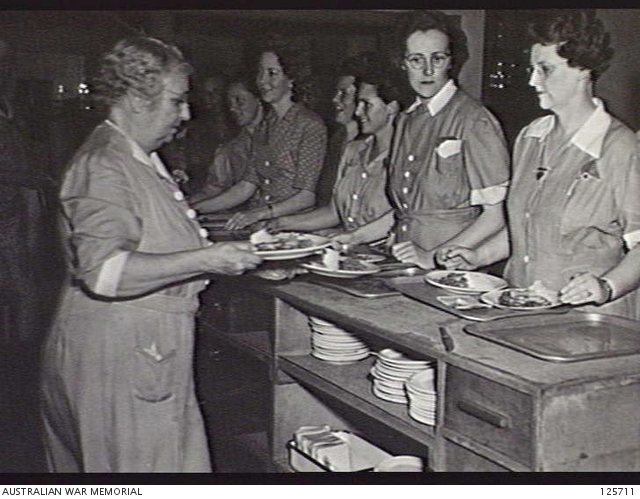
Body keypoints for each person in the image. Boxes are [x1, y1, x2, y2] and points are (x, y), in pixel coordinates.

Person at [40, 37, 262, 473]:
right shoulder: (104, 163)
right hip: (119, 355)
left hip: (141, 350)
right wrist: (209, 259)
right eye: (177, 101)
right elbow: (104, 272)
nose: (186, 114)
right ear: (137, 99)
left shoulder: (132, 155)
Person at [438, 11, 640, 319]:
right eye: (532, 69)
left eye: (545, 69)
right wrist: (478, 256)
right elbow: (527, 228)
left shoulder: (620, 147)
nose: (532, 80)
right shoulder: (530, 137)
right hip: (520, 308)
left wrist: (606, 286)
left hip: (588, 321)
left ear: (582, 71)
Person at [388, 11, 510, 270]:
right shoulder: (405, 119)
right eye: (416, 60)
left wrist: (433, 256)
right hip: (404, 266)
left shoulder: (474, 119)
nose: (427, 70)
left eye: (438, 58)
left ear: (451, 62)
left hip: (452, 269)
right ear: (402, 63)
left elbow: (497, 217)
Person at [193, 35, 328, 230]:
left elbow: (306, 197)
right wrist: (194, 209)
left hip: (290, 228)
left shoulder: (310, 125)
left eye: (272, 73)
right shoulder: (266, 124)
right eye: (260, 72)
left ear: (291, 79)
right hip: (260, 224)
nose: (263, 81)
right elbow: (246, 186)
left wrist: (260, 214)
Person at [266, 56, 402, 245]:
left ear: (391, 108)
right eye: (358, 103)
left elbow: (405, 214)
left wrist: (355, 237)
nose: (358, 111)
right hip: (349, 252)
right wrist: (281, 223)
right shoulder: (354, 151)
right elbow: (335, 212)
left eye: (367, 105)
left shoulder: (405, 157)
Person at [189, 74, 264, 204]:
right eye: (229, 103)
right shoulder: (229, 149)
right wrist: (185, 204)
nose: (233, 108)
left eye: (239, 101)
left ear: (259, 99)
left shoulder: (284, 136)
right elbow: (214, 189)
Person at [314, 54, 363, 208]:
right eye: (337, 92)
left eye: (344, 94)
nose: (335, 99)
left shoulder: (371, 143)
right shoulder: (338, 137)